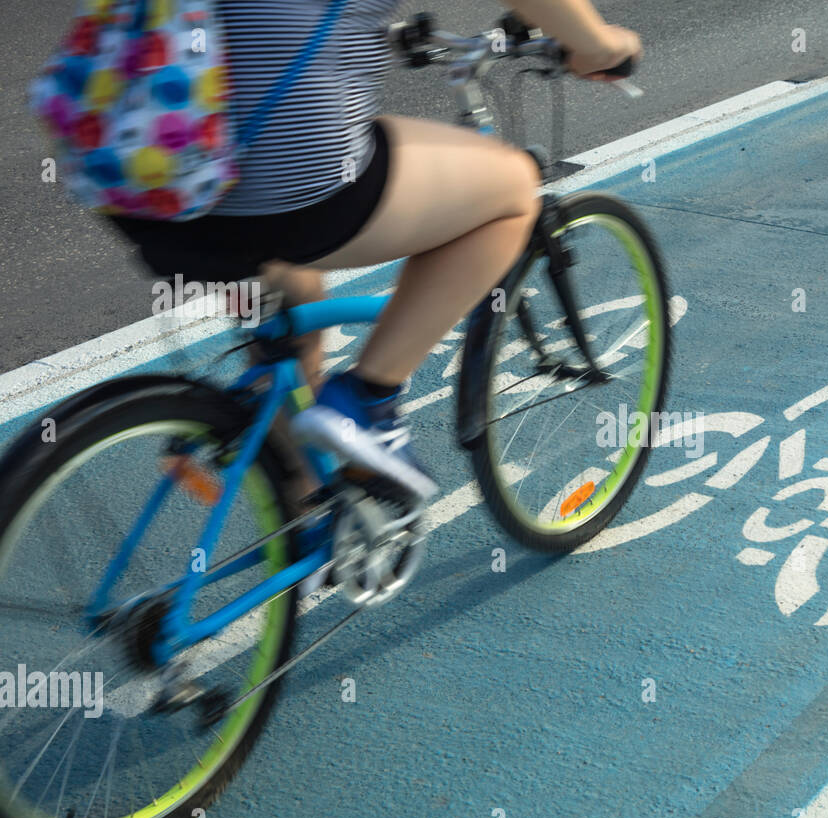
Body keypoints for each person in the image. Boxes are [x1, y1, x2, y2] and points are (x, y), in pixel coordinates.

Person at [110, 0, 642, 504]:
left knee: (293, 300)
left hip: (143, 172)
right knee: (511, 189)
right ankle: (367, 398)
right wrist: (598, 44)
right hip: (287, 181)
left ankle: (300, 507)